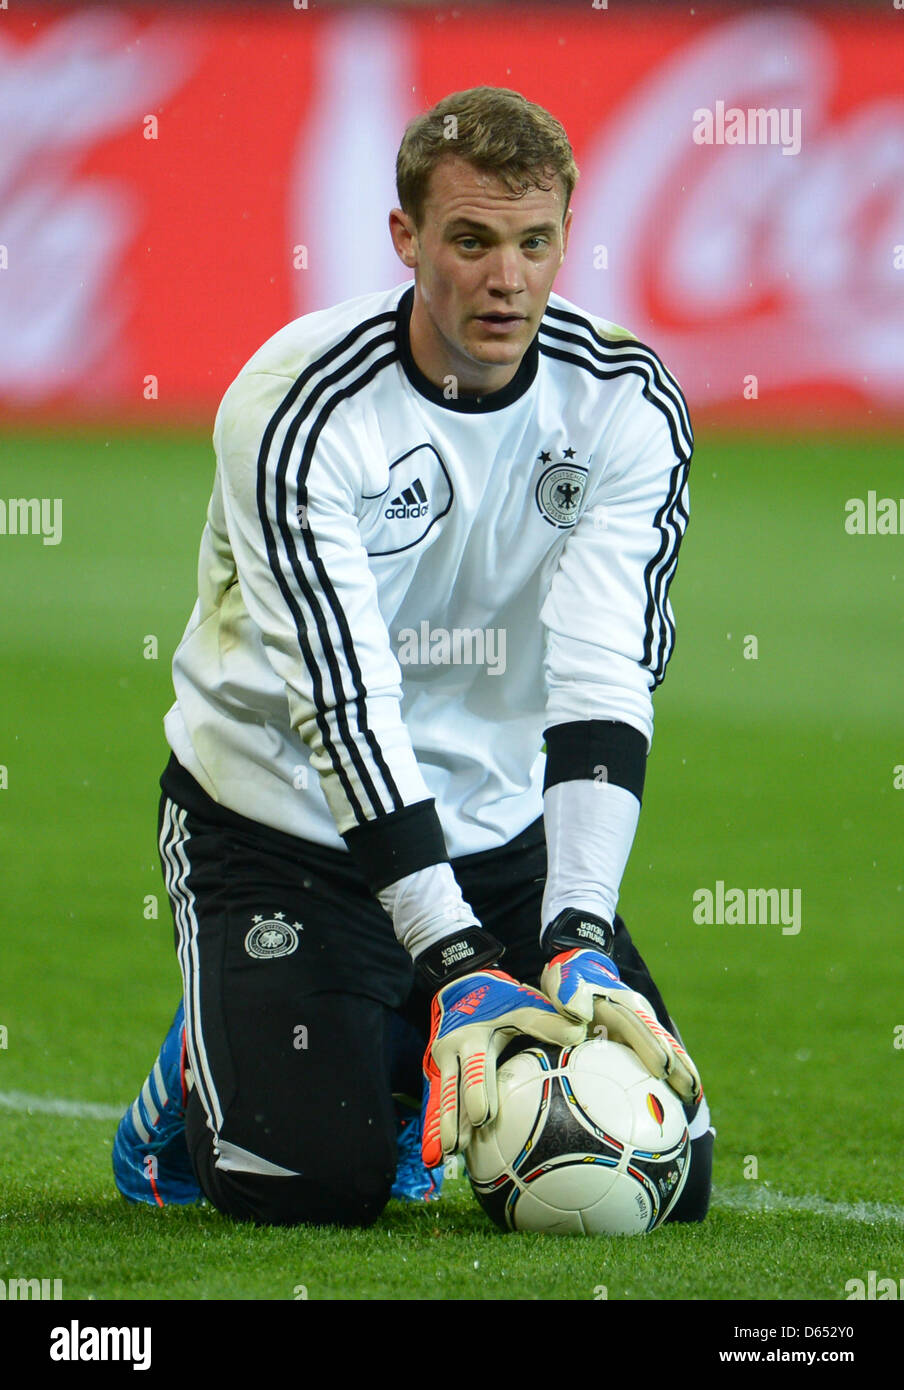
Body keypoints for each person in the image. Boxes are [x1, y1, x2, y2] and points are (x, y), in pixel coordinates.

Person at [112, 86, 714, 1228]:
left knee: (665, 1180)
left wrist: (575, 929)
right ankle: (216, 1057)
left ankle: (375, 1018)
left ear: (565, 240)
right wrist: (452, 957)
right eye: (471, 241)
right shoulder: (298, 405)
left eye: (534, 243)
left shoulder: (625, 400)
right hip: (284, 825)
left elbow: (602, 674)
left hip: (500, 831)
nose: (507, 279)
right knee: (308, 1188)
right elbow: (343, 702)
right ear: (405, 238)